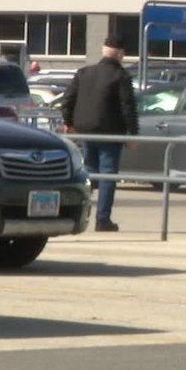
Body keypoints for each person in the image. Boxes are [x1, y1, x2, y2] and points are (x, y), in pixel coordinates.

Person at [58, 35, 139, 232]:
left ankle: (78, 214)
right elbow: (127, 106)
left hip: (86, 131)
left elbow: (67, 100)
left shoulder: (84, 72)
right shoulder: (120, 76)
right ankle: (103, 220)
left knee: (89, 174)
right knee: (108, 176)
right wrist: (133, 134)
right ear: (119, 54)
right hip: (110, 133)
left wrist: (68, 123)